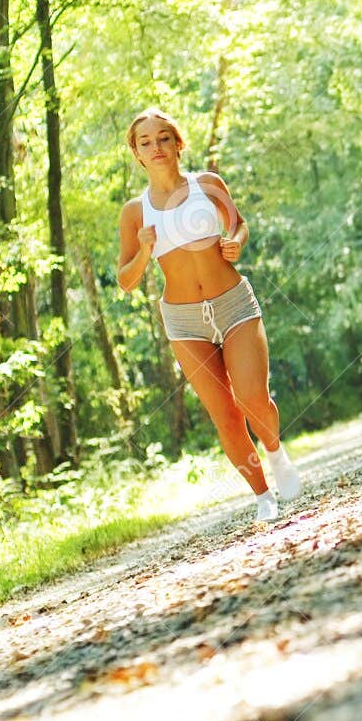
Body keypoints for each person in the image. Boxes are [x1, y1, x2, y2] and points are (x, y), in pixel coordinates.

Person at [115, 107, 301, 521]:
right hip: (183, 320)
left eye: (163, 138)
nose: (156, 147)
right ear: (137, 154)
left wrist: (234, 240)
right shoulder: (135, 212)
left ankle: (275, 452)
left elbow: (238, 225)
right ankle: (263, 497)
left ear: (178, 143)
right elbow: (125, 280)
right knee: (226, 413)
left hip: (232, 301)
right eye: (145, 142)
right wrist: (144, 250)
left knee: (253, 397)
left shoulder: (208, 185)